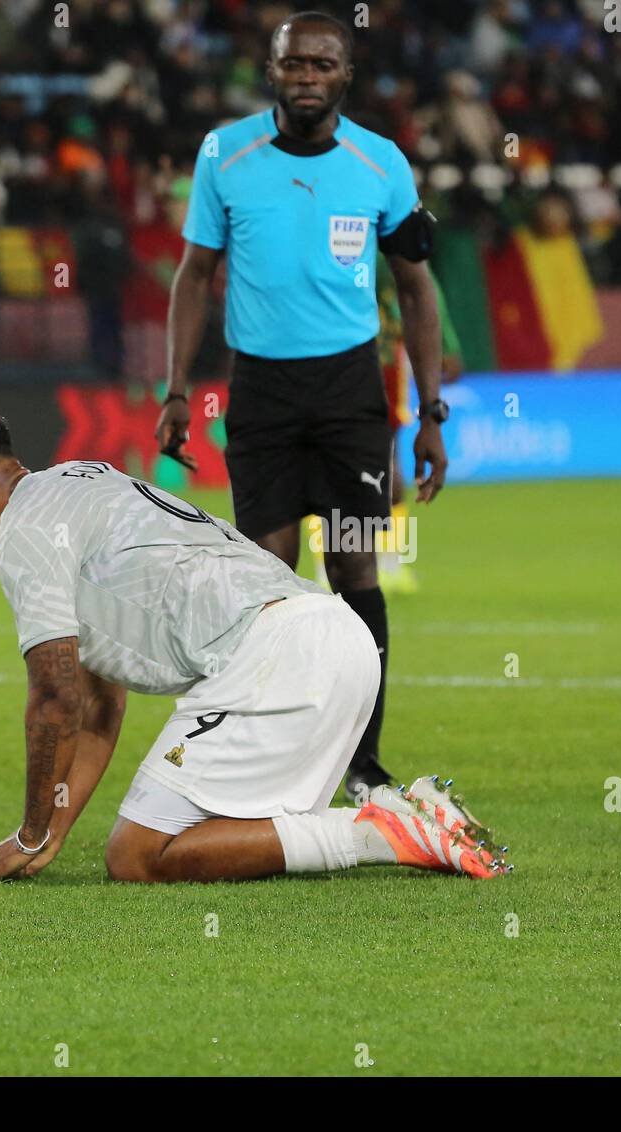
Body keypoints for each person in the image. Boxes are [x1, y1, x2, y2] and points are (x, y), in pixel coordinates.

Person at [0, 403, 505, 884]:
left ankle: (386, 832)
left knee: (136, 856)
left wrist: (27, 833)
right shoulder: (82, 482)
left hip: (274, 657)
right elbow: (96, 705)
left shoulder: (26, 532)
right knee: (230, 833)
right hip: (338, 639)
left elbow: (52, 695)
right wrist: (52, 831)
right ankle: (404, 820)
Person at [158, 10, 451, 803]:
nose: (309, 77)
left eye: (324, 64)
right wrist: (177, 386)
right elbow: (194, 276)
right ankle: (268, 755)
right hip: (261, 392)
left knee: (355, 564)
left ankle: (363, 759)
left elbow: (417, 290)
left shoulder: (381, 163)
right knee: (266, 575)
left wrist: (430, 413)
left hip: (351, 393)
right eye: (296, 64)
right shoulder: (226, 154)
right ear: (272, 70)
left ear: (346, 76)